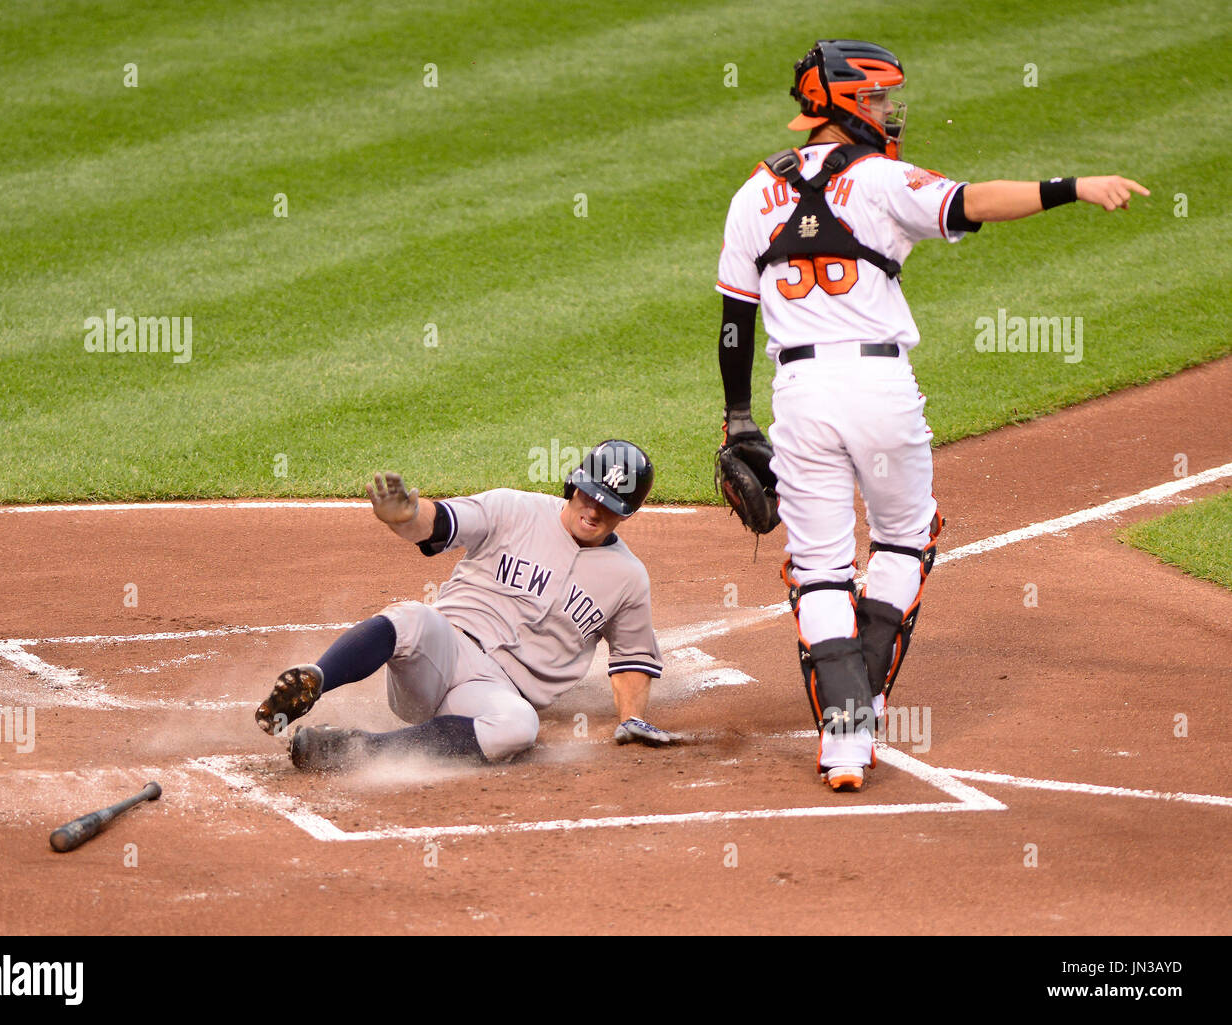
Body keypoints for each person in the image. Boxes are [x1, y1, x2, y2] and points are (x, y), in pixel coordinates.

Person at [713, 39, 1148, 791]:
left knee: (819, 569)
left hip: (800, 397)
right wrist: (1074, 185)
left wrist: (737, 419)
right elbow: (973, 201)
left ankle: (845, 739)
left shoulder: (754, 193)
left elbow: (734, 322)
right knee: (906, 538)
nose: (889, 112)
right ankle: (862, 706)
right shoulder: (881, 180)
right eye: (879, 99)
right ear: (847, 100)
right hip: (879, 388)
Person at [255, 439, 680, 769]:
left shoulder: (627, 578)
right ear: (574, 484)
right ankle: (314, 681)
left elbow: (632, 659)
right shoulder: (515, 509)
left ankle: (356, 750)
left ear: (628, 513)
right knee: (413, 617)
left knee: (519, 727)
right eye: (590, 495)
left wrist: (631, 718)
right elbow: (439, 522)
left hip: (494, 694)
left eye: (610, 505)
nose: (594, 510)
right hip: (443, 651)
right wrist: (405, 516)